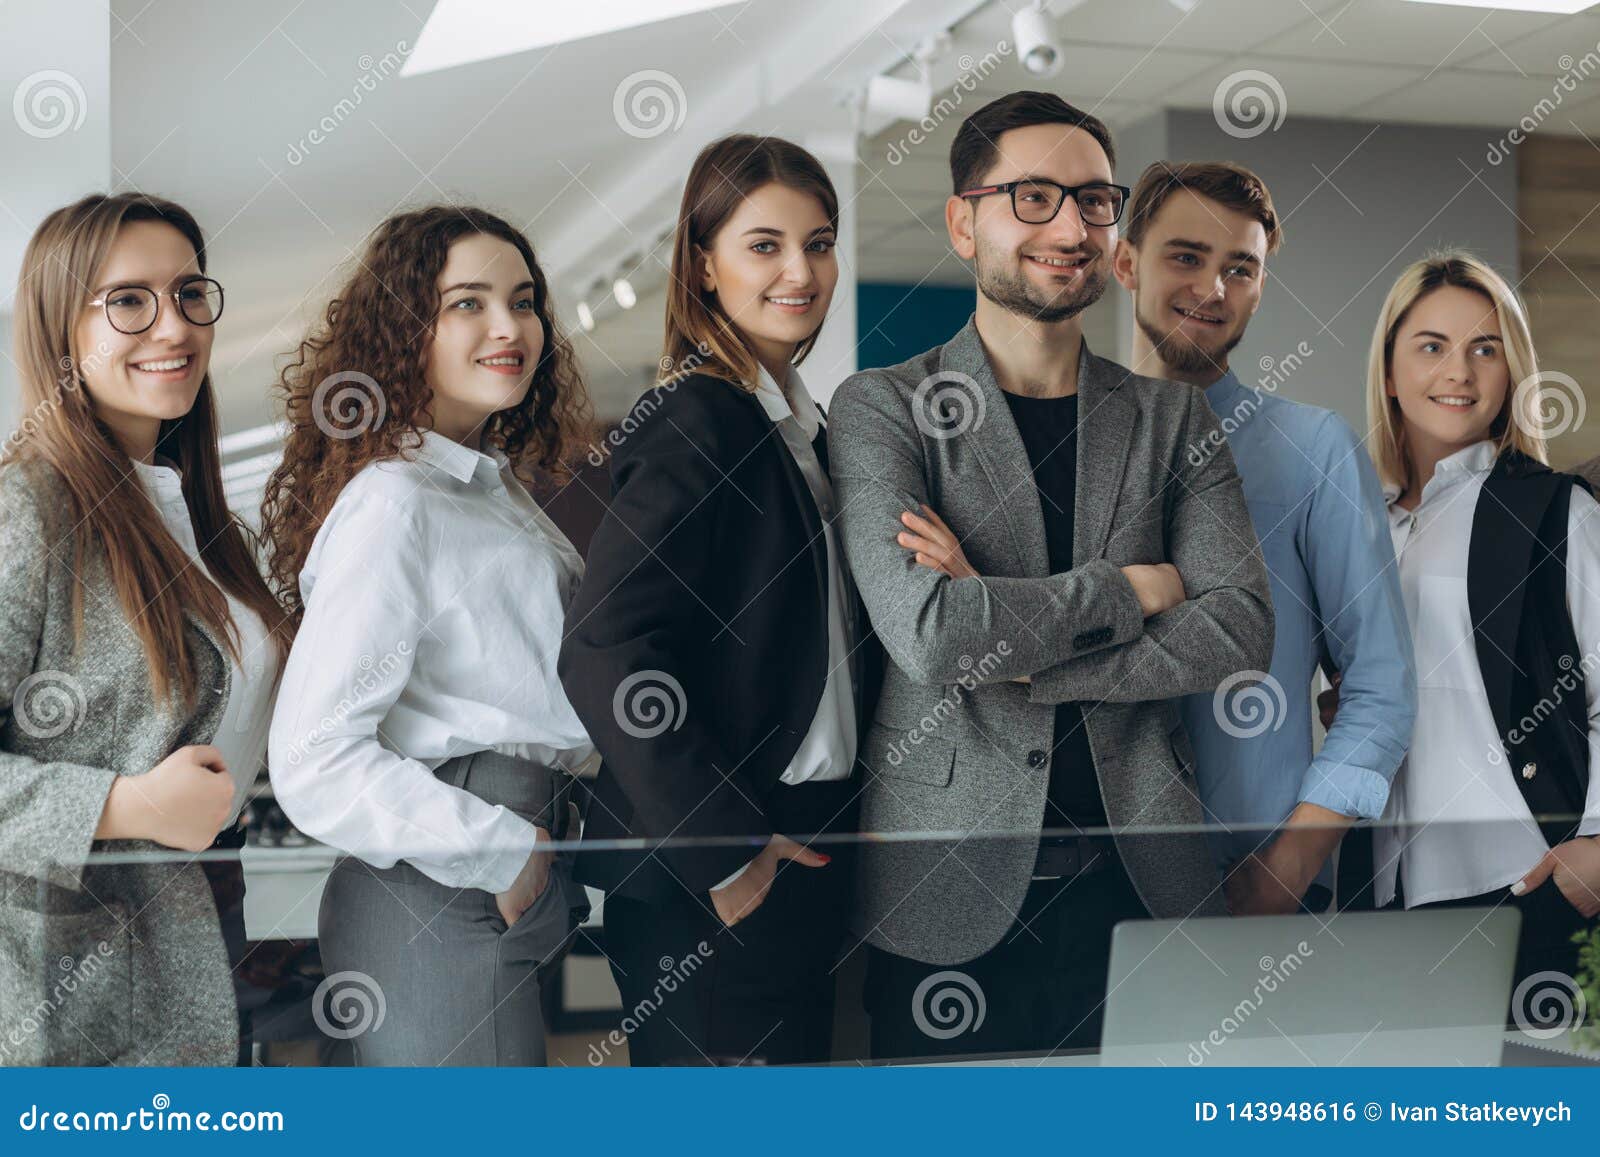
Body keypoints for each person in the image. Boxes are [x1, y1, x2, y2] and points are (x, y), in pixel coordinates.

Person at [828, 91, 1274, 1061]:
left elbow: (1240, 624)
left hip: (1145, 883)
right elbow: (933, 635)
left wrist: (1027, 661)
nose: (1070, 225)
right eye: (1033, 196)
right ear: (963, 220)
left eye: (1092, 199)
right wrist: (1136, 589)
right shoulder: (882, 408)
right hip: (945, 894)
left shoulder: (1173, 420)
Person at [559, 135, 878, 1066]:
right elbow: (606, 646)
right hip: (720, 861)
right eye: (764, 245)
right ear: (703, 264)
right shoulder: (698, 415)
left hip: (808, 842)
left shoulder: (797, 426)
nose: (801, 270)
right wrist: (728, 852)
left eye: (819, 243)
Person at [263, 206, 594, 1065]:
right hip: (443, 885)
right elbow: (313, 755)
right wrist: (508, 853)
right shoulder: (396, 501)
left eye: (523, 302)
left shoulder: (485, 488)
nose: (508, 327)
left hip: (493, 873)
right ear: (406, 329)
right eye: (468, 304)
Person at [0, 193, 285, 1066]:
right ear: (60, 326)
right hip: (64, 977)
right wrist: (129, 804)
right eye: (129, 300)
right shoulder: (29, 506)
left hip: (198, 925)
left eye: (190, 292)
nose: (174, 325)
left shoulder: (186, 511)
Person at [1112, 161, 1414, 916]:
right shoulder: (1070, 443)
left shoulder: (1316, 450)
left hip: (1260, 888)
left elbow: (1379, 689)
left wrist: (1284, 871)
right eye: (1186, 257)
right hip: (1088, 881)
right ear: (1125, 262)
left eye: (1239, 268)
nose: (1212, 290)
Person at [1334, 251, 1599, 990]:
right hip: (1384, 888)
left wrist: (1596, 846)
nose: (1460, 371)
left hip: (1527, 877)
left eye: (1486, 348)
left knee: (1540, 1102)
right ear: (1389, 372)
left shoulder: (1555, 510)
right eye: (1432, 347)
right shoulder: (1363, 525)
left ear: (1512, 371)